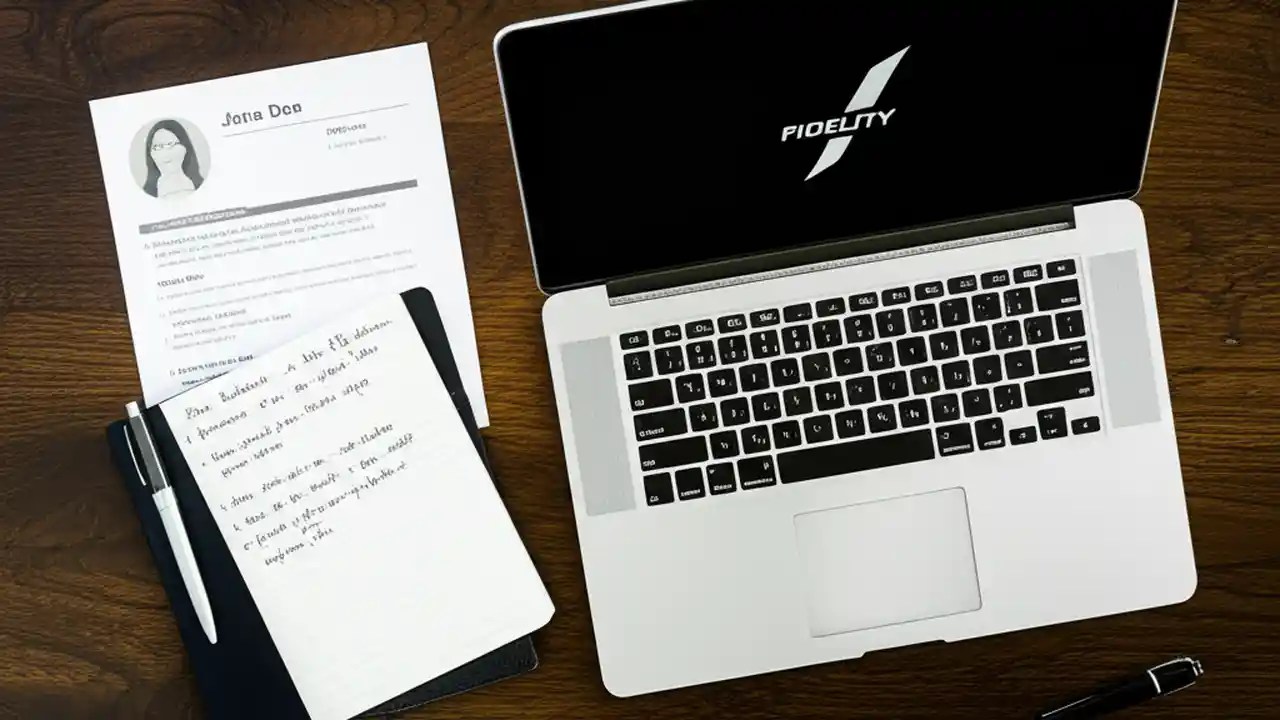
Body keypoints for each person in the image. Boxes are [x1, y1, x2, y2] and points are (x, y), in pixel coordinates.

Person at [141, 120, 204, 199]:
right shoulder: (145, 196)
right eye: (158, 147)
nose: (165, 152)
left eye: (171, 144)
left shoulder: (201, 187)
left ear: (185, 148)